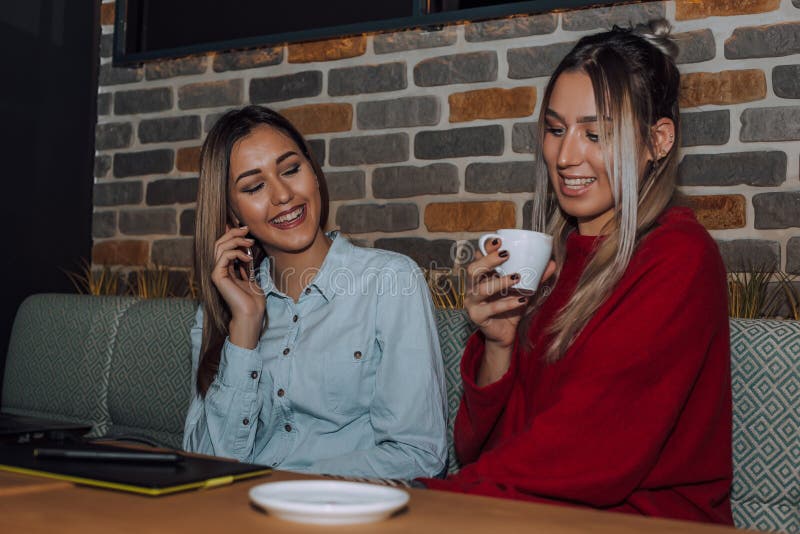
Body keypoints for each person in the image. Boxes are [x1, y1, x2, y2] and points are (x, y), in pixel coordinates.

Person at [423, 21, 734, 524]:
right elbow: (478, 450)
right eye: (555, 129)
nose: (566, 156)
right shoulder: (552, 258)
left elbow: (593, 455)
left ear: (658, 140)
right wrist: (498, 345)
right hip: (542, 513)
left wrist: (428, 498)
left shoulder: (679, 257)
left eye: (596, 133)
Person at [183, 105, 447, 479]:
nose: (283, 195)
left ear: (313, 171)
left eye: (291, 169)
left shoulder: (391, 280)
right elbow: (204, 463)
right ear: (233, 214)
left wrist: (289, 484)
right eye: (254, 186)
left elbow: (418, 453)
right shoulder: (223, 306)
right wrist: (244, 329)